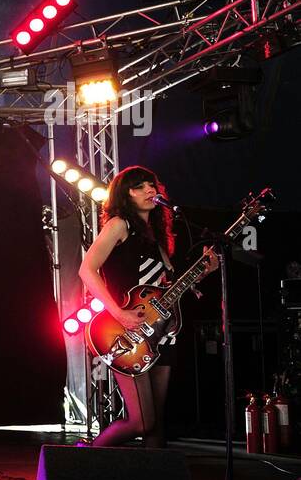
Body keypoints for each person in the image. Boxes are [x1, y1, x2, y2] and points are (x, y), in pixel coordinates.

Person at [78, 166, 215, 448]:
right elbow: (87, 270)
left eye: (151, 185)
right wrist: (120, 313)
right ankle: (84, 458)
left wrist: (203, 272)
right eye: (139, 187)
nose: (149, 190)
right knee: (143, 421)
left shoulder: (158, 235)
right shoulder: (119, 225)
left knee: (156, 426)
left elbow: (166, 288)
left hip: (160, 332)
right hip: (124, 332)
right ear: (125, 194)